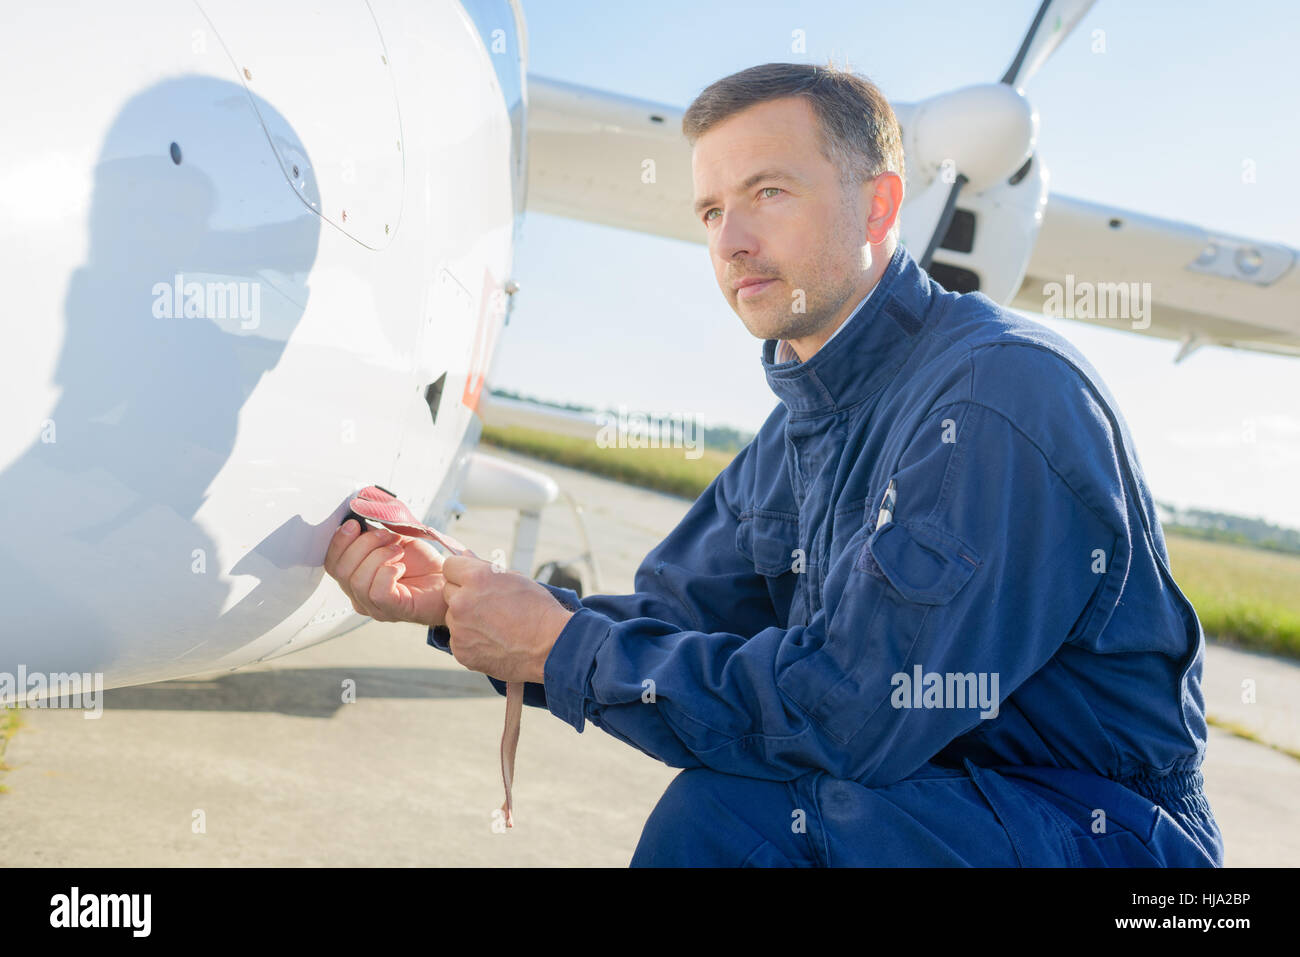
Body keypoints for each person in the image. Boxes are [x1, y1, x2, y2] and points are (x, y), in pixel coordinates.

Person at [324, 62, 1223, 867]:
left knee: (738, 822)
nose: (730, 240)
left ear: (878, 206)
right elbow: (667, 617)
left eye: (768, 194)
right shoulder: (806, 413)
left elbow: (848, 718)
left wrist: (560, 646)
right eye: (713, 211)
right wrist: (456, 598)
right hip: (943, 799)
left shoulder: (994, 398)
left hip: (1103, 828)